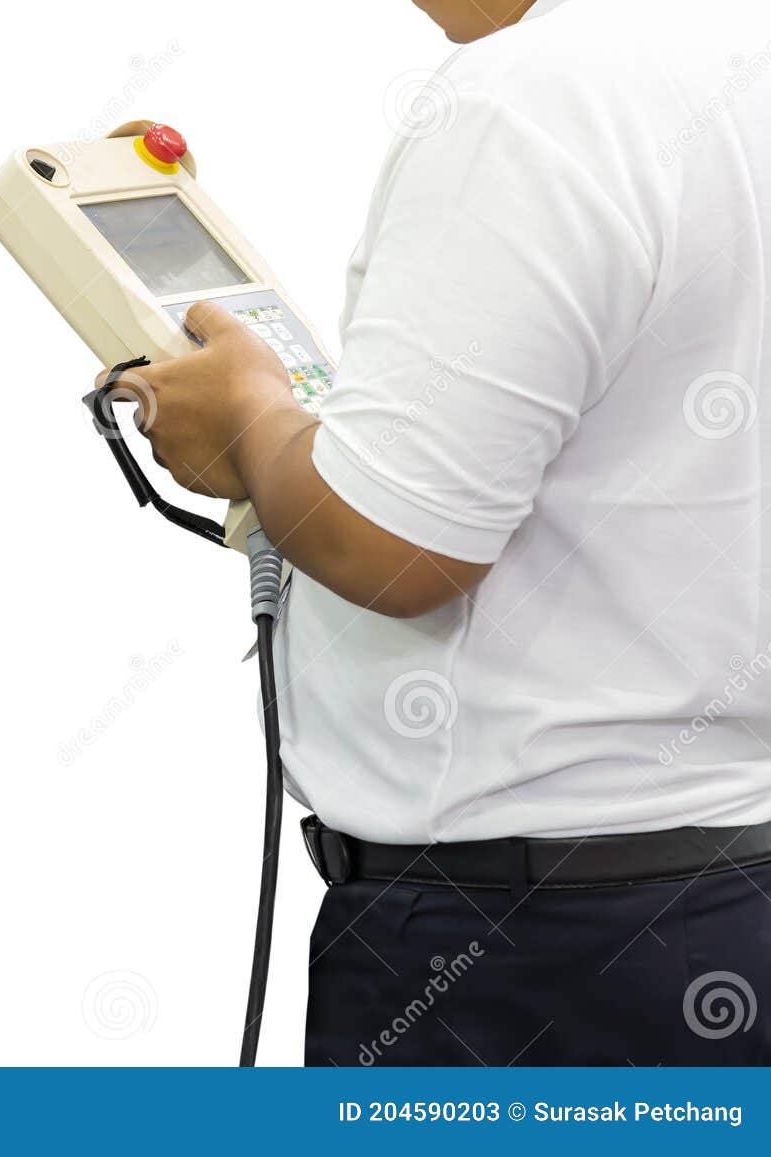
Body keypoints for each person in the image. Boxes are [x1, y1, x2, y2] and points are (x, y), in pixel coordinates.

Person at [111, 0, 771, 1064]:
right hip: (724, 893)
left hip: (523, 953)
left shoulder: (532, 98)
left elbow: (396, 548)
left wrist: (249, 418)